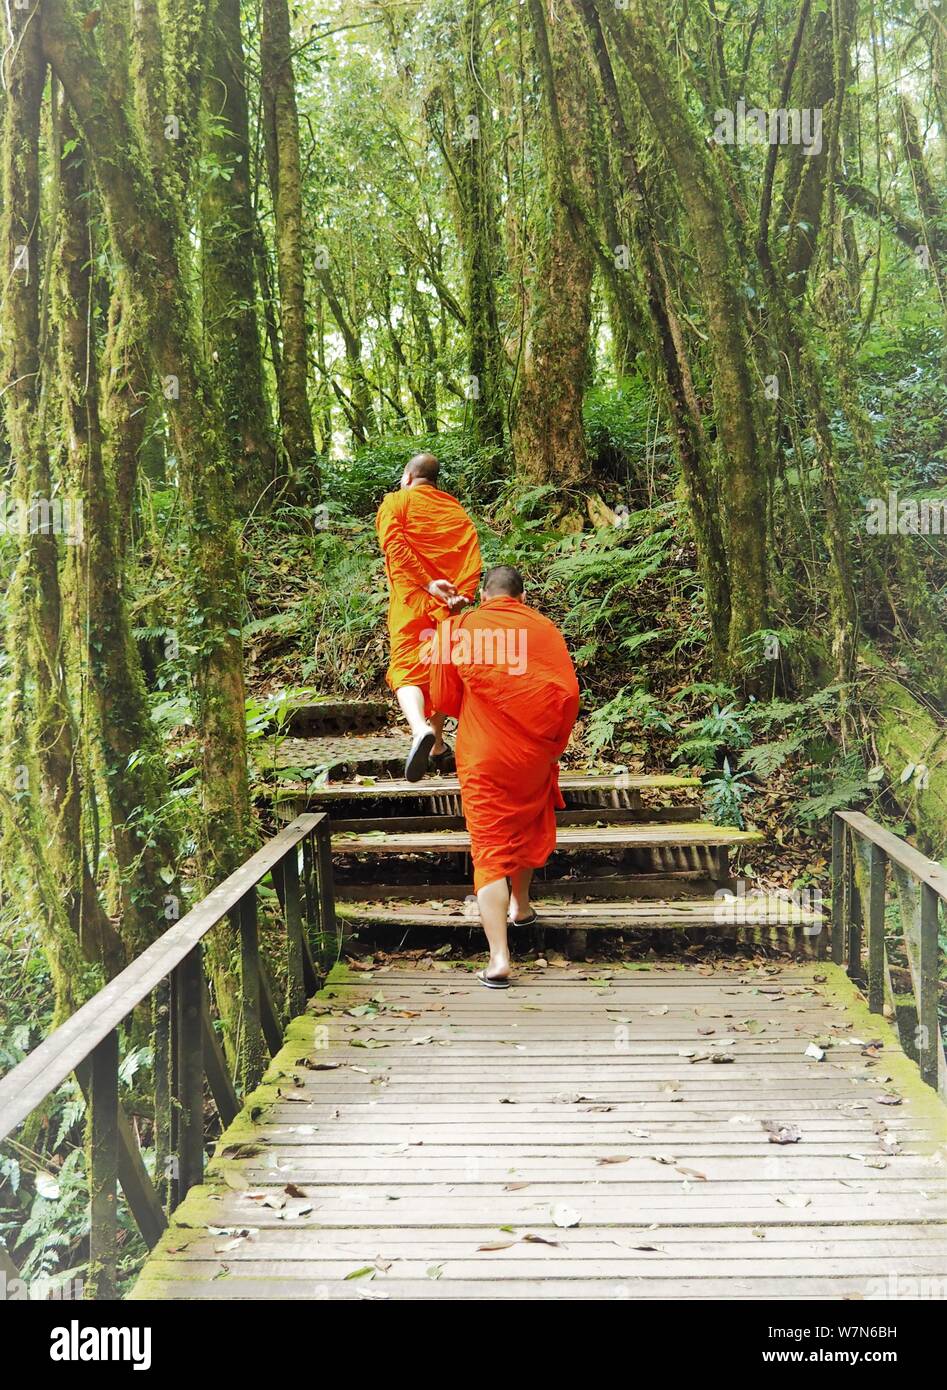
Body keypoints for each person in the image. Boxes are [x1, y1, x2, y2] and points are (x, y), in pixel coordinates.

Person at [429, 565, 580, 987]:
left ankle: (499, 959)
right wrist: (552, 746)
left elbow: (441, 693)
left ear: (481, 593)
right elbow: (567, 692)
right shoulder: (543, 629)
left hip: (483, 753)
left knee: (490, 846)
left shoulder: (466, 625)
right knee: (528, 819)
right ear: (522, 596)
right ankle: (522, 905)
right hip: (533, 752)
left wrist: (450, 621)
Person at [375, 452, 481, 781]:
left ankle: (420, 729)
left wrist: (428, 583)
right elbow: (470, 552)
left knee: (407, 669)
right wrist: (461, 596)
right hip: (447, 605)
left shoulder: (395, 503)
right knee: (439, 671)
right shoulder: (455, 510)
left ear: (408, 477)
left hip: (412, 600)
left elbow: (395, 546)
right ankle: (437, 745)